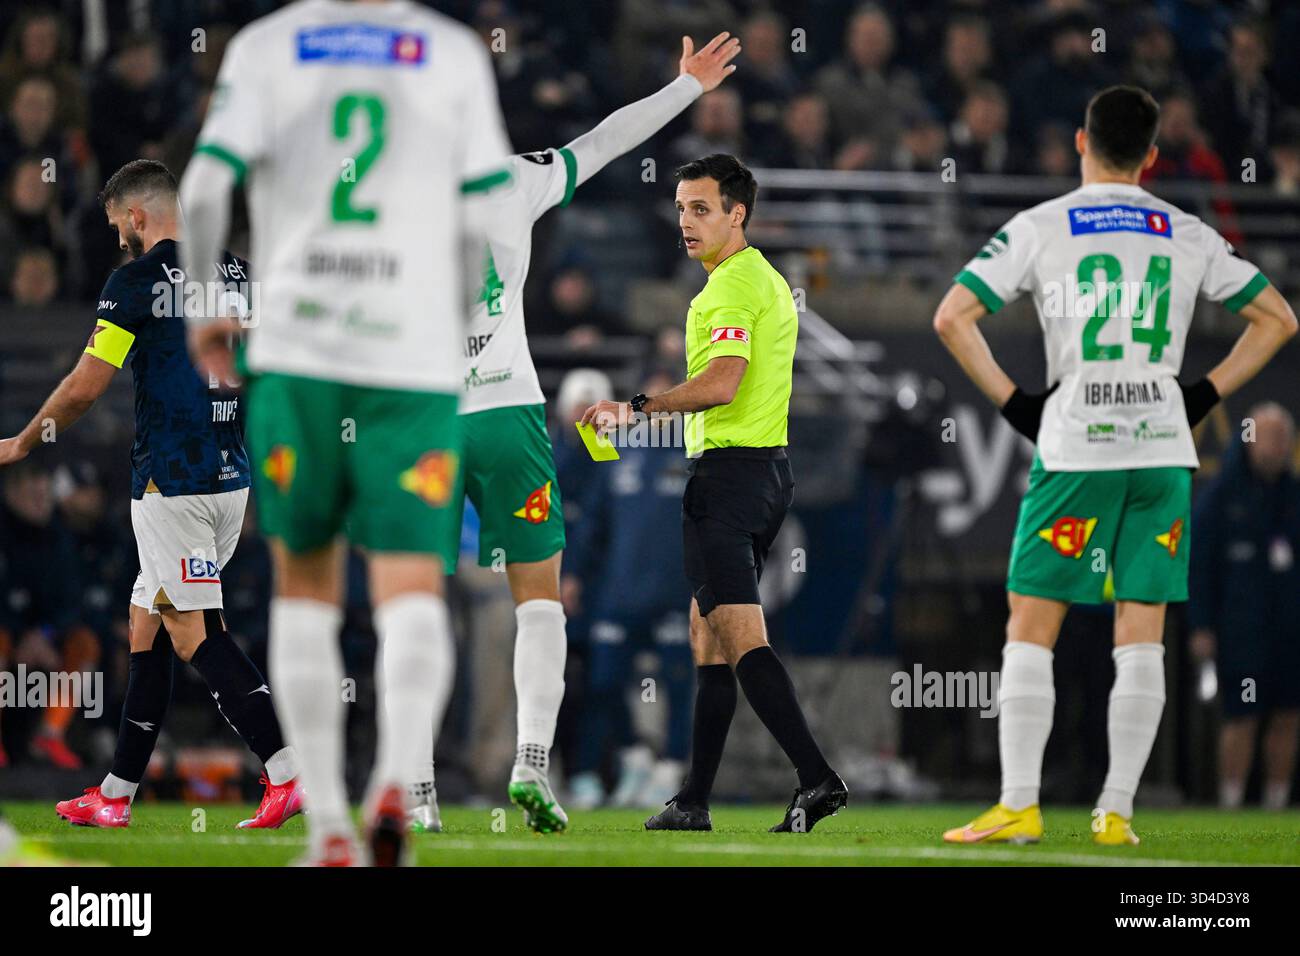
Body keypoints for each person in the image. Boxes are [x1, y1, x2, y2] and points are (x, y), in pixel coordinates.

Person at [179, 0, 511, 867]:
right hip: (412, 364)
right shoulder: (449, 53)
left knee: (305, 589)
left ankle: (329, 830)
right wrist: (448, 319)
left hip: (299, 355)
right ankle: (397, 780)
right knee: (410, 589)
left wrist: (210, 304)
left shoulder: (266, 46)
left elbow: (206, 188)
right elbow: (483, 218)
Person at [933, 86, 1297, 846]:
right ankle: (1117, 812)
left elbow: (951, 317)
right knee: (1142, 632)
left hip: (1078, 445)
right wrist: (1202, 392)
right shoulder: (1184, 230)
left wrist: (1013, 403)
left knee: (1031, 624)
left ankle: (1020, 805)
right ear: (1153, 157)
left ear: (1079, 142)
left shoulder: (1041, 226)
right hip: (1164, 447)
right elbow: (1279, 319)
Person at [410, 30, 741, 835]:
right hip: (512, 414)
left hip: (424, 418)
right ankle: (533, 764)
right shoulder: (517, 180)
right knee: (541, 605)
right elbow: (603, 141)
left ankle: (413, 791)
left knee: (408, 604)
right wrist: (686, 89)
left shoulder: (391, 200)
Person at [0, 159, 302, 830]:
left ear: (137, 217)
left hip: (175, 484)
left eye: (117, 227)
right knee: (148, 623)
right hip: (230, 479)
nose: (117, 241)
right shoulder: (233, 271)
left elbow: (84, 385)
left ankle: (286, 769)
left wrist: (21, 443)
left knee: (195, 633)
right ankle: (114, 793)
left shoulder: (135, 282)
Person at [582, 154, 848, 833]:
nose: (686, 222)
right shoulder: (763, 279)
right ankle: (693, 799)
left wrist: (635, 407)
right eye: (680, 209)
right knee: (708, 636)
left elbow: (724, 382)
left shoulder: (730, 287)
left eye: (701, 209)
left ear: (738, 214)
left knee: (735, 633)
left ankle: (817, 778)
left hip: (728, 478)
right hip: (761, 472)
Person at [1189, 403, 1300, 809]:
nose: (1278, 447)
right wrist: (1201, 626)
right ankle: (1231, 800)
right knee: (1244, 713)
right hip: (1242, 633)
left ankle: (1276, 801)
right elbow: (1198, 566)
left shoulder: (1293, 498)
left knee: (1288, 714)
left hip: (1289, 632)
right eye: (1270, 437)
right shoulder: (1222, 499)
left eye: (1283, 438)